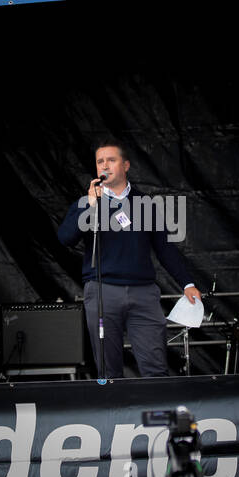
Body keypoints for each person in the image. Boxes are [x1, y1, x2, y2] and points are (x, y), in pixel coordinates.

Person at [57, 139, 202, 377]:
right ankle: (114, 412)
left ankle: (156, 413)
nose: (105, 165)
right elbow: (65, 238)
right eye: (100, 161)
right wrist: (91, 205)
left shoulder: (145, 204)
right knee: (108, 370)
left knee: (155, 366)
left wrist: (187, 283)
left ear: (125, 165)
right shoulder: (87, 202)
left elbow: (165, 248)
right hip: (103, 291)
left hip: (143, 293)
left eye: (111, 160)